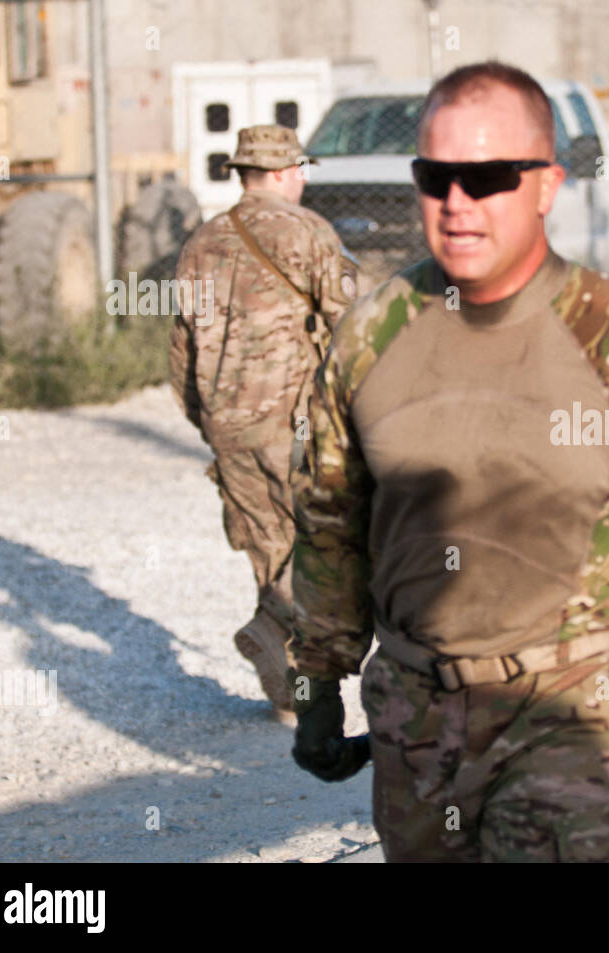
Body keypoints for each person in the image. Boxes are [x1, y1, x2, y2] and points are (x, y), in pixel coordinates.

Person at [287, 61, 609, 862]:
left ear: (547, 184)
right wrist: (317, 680)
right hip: (415, 716)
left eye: (487, 177)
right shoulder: (372, 334)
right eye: (435, 177)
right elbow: (330, 524)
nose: (457, 202)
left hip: (569, 709)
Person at [171, 125, 359, 719]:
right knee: (323, 542)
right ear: (281, 173)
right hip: (293, 422)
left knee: (269, 544)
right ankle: (272, 630)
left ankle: (291, 692)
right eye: (300, 169)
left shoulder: (200, 243)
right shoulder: (309, 234)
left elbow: (180, 350)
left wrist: (208, 420)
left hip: (228, 423)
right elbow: (352, 324)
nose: (303, 179)